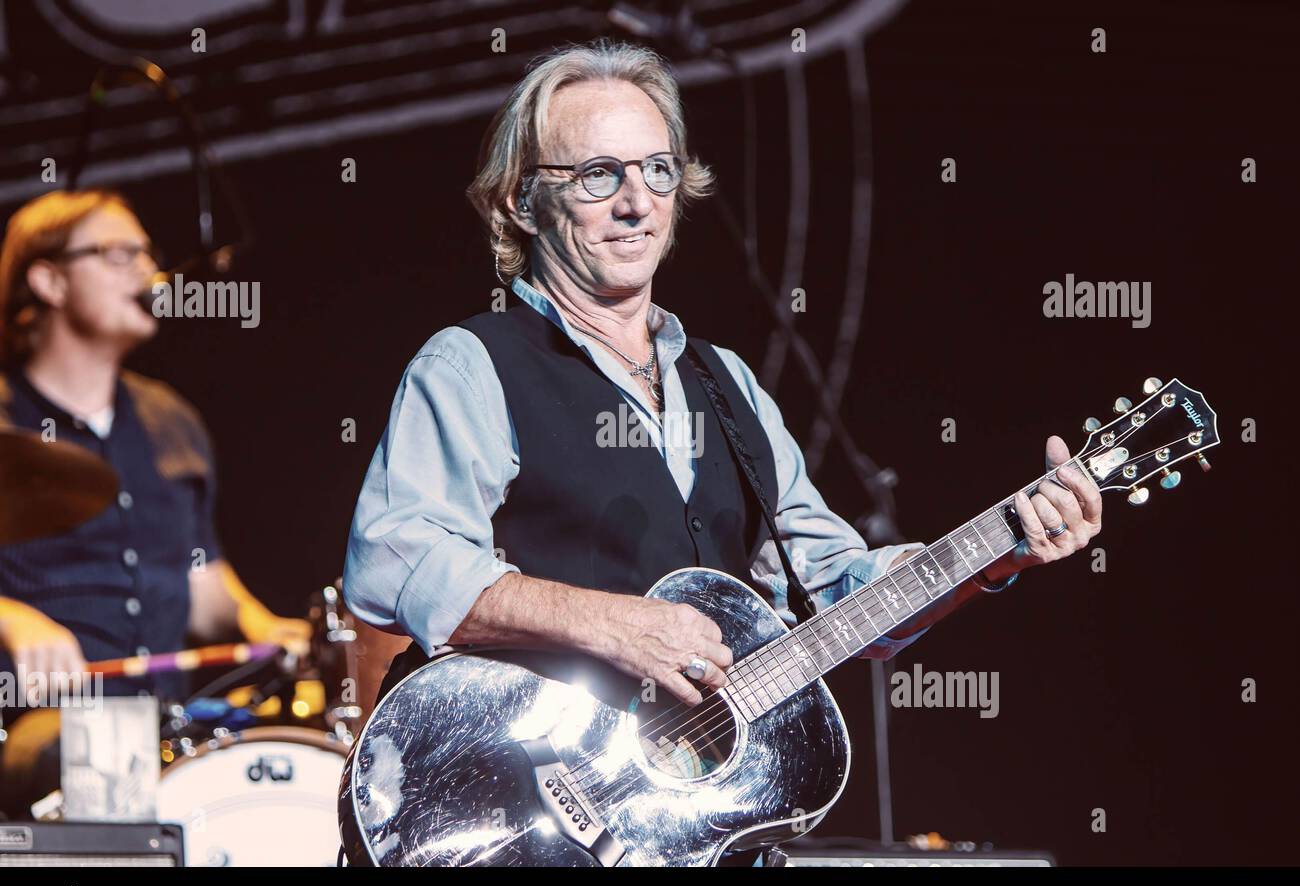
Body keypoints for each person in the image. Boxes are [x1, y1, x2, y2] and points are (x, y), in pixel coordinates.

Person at [343, 38, 1102, 714]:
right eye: (599, 175)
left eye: (657, 171)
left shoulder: (727, 382)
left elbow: (834, 591)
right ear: (524, 201)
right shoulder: (472, 364)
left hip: (694, 819)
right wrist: (614, 626)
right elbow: (394, 561)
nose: (637, 202)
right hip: (528, 803)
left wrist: (996, 552)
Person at [0, 189, 308, 818]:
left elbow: (203, 585)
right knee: (99, 751)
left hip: (174, 722)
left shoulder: (171, 419)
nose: (148, 271)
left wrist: (263, 626)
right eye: (118, 254)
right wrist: (13, 619)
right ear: (49, 280)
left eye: (147, 253)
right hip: (48, 724)